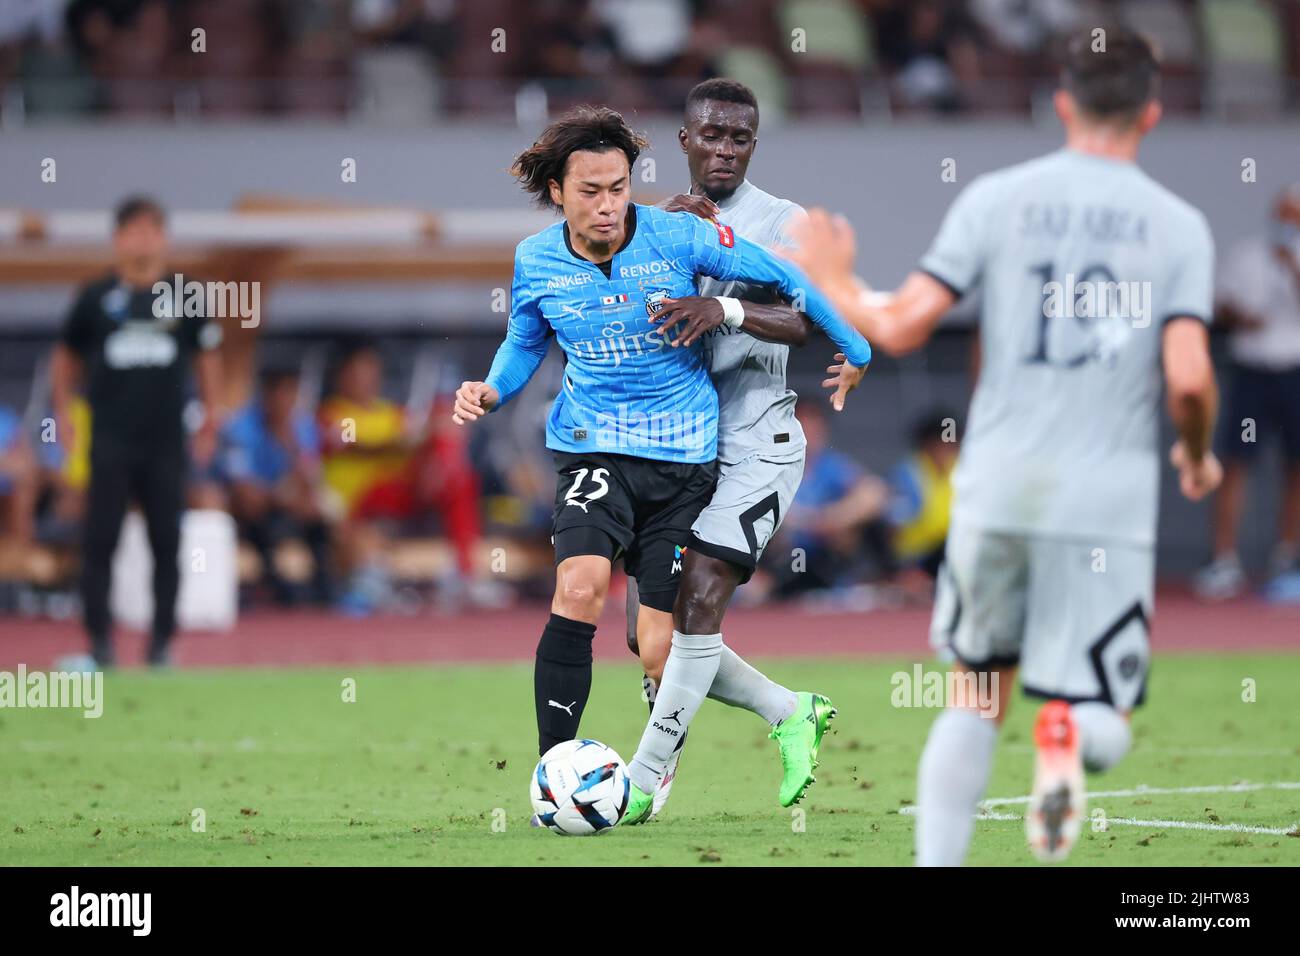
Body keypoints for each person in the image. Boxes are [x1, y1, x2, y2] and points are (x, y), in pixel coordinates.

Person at [783, 26, 1221, 864]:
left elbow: (904, 323)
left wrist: (835, 280)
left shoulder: (996, 196)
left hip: (997, 489)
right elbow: (1192, 380)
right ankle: (1067, 728)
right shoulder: (1180, 227)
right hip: (1106, 504)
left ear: (1061, 103)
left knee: (973, 695)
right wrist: (1198, 452)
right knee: (1104, 716)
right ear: (1152, 114)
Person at [450, 105, 871, 796]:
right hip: (592, 451)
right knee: (578, 589)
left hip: (682, 464)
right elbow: (525, 340)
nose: (609, 204)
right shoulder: (536, 259)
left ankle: (782, 713)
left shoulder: (677, 236)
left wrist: (856, 348)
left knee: (657, 646)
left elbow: (791, 282)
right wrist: (493, 390)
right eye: (590, 191)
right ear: (557, 191)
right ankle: (552, 773)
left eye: (618, 186)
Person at [622, 79, 861, 823]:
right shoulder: (651, 224)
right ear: (684, 139)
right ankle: (791, 710)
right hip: (676, 446)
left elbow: (801, 320)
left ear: (752, 144)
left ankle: (641, 779)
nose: (725, 150)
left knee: (700, 598)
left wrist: (720, 298)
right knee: (652, 640)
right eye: (712, 136)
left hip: (757, 444)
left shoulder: (780, 221)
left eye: (740, 138)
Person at [51, 195, 224, 667]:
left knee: (166, 539)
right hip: (109, 439)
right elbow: (64, 357)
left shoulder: (186, 296)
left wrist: (210, 417)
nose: (144, 240)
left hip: (166, 441)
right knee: (99, 538)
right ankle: (99, 644)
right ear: (118, 239)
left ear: (164, 238)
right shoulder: (94, 297)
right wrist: (63, 413)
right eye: (135, 231)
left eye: (153, 230)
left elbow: (209, 358)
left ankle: (162, 643)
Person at [1194, 186, 1300, 599]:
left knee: (1295, 465)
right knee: (1237, 461)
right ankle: (1223, 560)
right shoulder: (1246, 255)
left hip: (1294, 371)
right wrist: (1239, 315)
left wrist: (1291, 268)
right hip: (1253, 371)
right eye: (1283, 214)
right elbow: (1218, 309)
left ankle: (1287, 556)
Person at [221, 366, 333, 606]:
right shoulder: (241, 428)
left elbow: (310, 480)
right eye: (278, 394)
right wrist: (283, 497)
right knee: (272, 523)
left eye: (290, 394)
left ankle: (330, 583)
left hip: (292, 511)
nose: (284, 402)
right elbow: (244, 493)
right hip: (256, 516)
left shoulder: (303, 428)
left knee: (324, 518)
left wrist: (289, 444)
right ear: (265, 396)